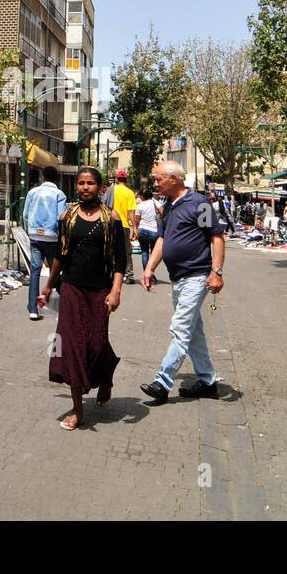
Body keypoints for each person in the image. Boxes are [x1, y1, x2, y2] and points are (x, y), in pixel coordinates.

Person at [39, 167, 125, 430]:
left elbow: (120, 259)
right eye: (81, 183)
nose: (85, 187)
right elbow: (59, 256)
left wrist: (116, 290)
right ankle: (78, 410)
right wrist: (49, 285)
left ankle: (106, 378)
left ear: (100, 187)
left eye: (90, 183)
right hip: (72, 289)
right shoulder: (68, 216)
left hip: (100, 289)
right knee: (72, 347)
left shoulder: (112, 218)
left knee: (97, 344)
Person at [140, 160, 225, 404]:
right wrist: (149, 268)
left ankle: (162, 381)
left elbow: (216, 237)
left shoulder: (199, 203)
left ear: (174, 180)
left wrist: (216, 272)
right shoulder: (167, 207)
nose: (155, 184)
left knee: (180, 328)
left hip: (197, 276)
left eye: (158, 179)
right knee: (193, 331)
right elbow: (162, 240)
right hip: (178, 278)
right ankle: (208, 382)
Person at [23, 166, 67, 321]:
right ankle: (67, 304)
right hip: (51, 236)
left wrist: (31, 229)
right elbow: (61, 217)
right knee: (54, 271)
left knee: (34, 272)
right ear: (57, 178)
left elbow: (25, 214)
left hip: (34, 235)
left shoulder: (32, 192)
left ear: (42, 177)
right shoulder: (59, 194)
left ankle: (33, 309)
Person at [109, 170, 138, 283]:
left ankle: (112, 273)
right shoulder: (129, 192)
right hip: (124, 226)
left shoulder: (111, 190)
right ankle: (129, 275)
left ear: (117, 179)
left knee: (110, 250)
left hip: (111, 223)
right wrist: (134, 228)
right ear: (126, 180)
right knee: (126, 251)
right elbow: (131, 212)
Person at [131, 186, 161, 276]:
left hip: (142, 230)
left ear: (142, 196)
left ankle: (146, 273)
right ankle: (151, 273)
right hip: (153, 231)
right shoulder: (155, 202)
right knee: (153, 254)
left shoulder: (139, 206)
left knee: (144, 253)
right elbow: (163, 212)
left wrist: (135, 230)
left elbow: (136, 220)